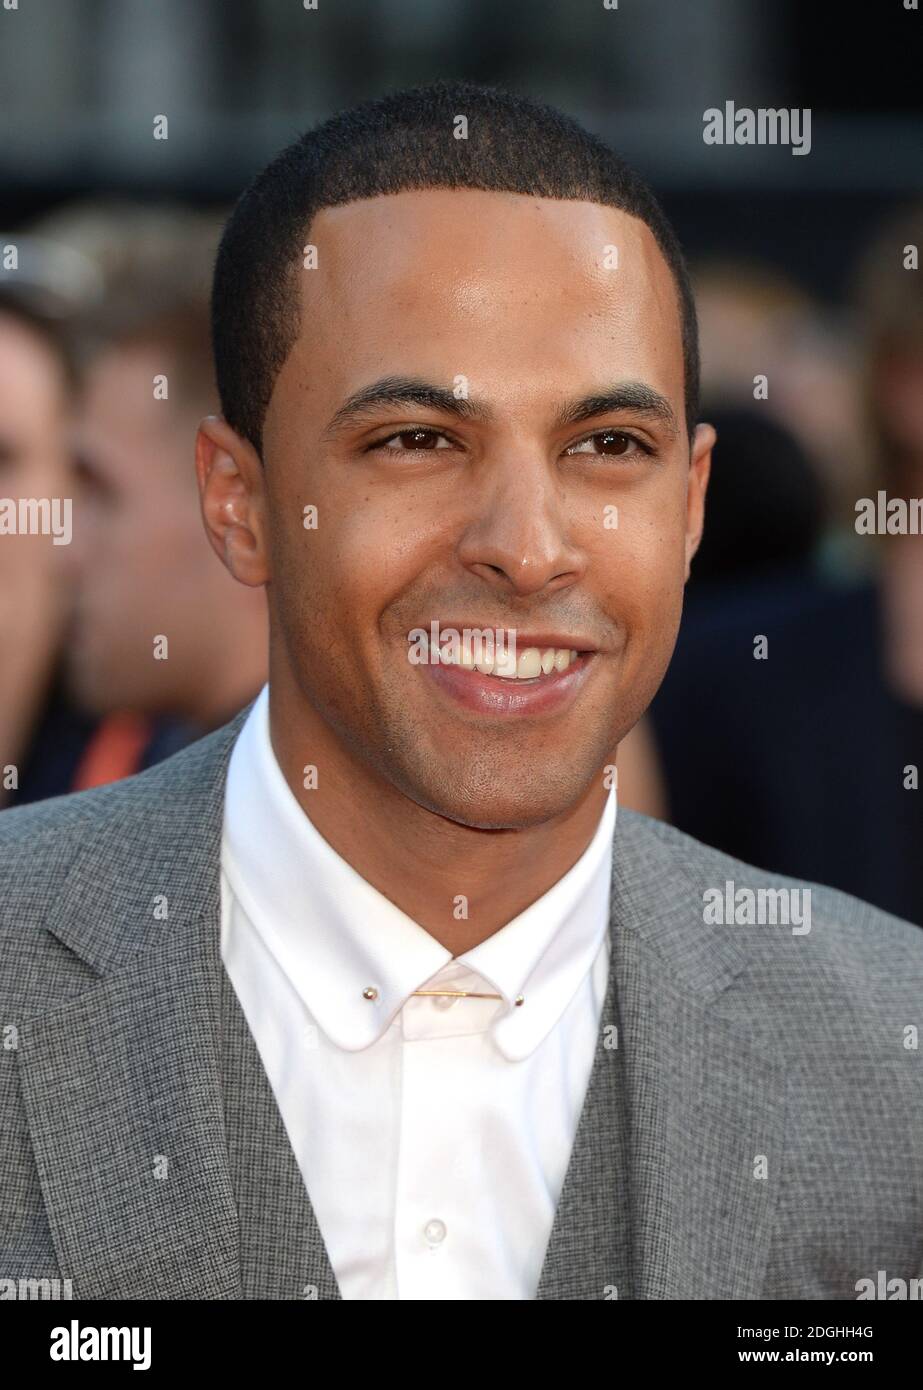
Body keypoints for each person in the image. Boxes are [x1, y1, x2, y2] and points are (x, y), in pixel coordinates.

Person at [1, 80, 921, 1302]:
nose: (527, 546)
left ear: (689, 506)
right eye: (417, 441)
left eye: (606, 446)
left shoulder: (887, 1052)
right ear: (240, 501)